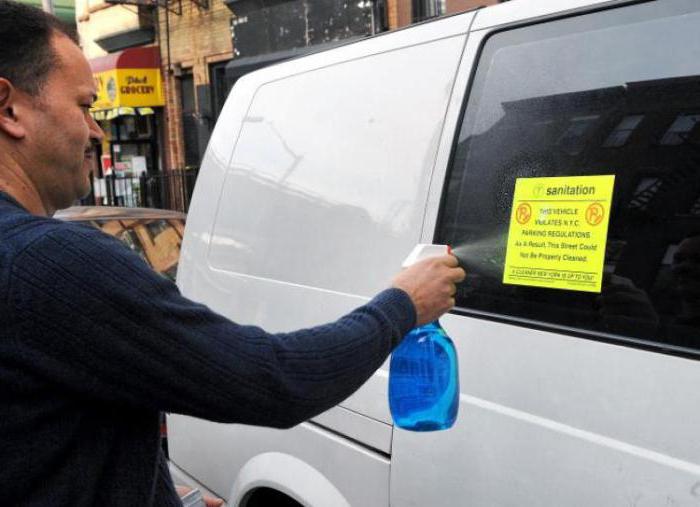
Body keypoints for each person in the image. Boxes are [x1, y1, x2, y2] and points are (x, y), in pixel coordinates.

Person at [0, 2, 465, 505]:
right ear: (9, 110)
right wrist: (404, 303)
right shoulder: (46, 263)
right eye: (85, 106)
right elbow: (274, 381)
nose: (96, 131)